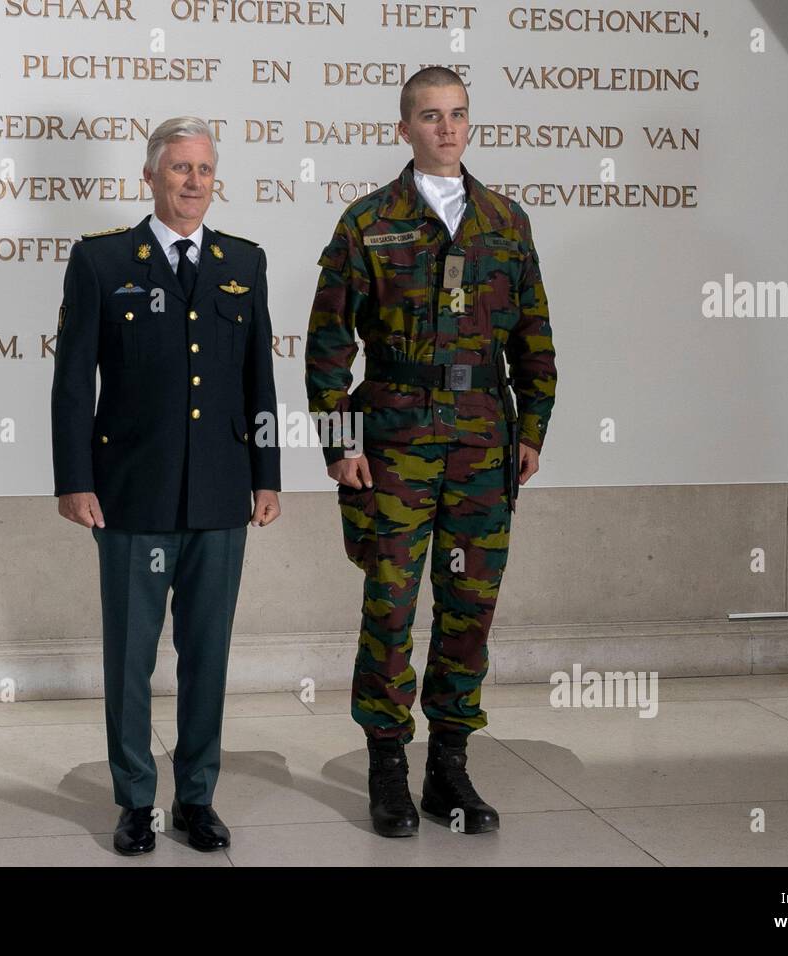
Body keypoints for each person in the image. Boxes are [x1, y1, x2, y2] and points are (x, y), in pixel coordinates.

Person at [304, 67, 557, 837]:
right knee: (389, 605)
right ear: (404, 128)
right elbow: (325, 349)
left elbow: (535, 341)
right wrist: (339, 445)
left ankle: (449, 765)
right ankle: (387, 765)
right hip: (394, 444)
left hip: (483, 443)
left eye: (457, 115)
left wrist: (533, 432)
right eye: (429, 116)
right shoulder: (369, 222)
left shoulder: (505, 223)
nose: (446, 129)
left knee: (469, 609)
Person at [51, 116, 281, 855]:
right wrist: (74, 479)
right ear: (148, 175)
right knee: (132, 655)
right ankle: (134, 800)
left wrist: (267, 475)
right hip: (131, 494)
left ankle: (198, 798)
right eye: (179, 168)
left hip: (219, 496)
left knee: (207, 654)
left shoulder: (243, 261)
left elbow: (259, 381)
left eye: (205, 169)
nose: (193, 181)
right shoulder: (102, 260)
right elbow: (71, 382)